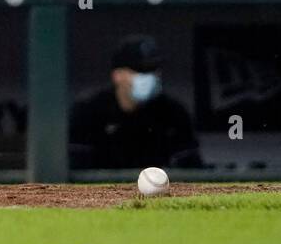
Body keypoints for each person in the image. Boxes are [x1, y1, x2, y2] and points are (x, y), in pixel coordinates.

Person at [69, 34, 202, 170]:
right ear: (117, 75)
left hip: (160, 189)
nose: (149, 76)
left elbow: (192, 169)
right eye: (139, 70)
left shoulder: (174, 112)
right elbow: (76, 168)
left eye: (153, 69)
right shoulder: (88, 110)